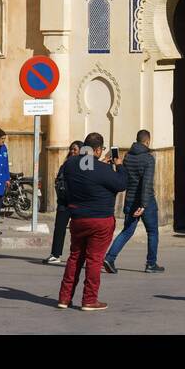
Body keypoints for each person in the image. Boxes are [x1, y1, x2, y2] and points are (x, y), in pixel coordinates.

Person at [57, 132, 127, 312]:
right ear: (97, 150)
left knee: (75, 258)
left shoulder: (70, 164)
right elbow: (121, 184)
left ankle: (64, 298)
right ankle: (89, 299)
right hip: (100, 219)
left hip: (78, 218)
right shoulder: (104, 170)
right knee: (94, 260)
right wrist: (118, 166)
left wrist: (97, 161)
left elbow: (86, 170)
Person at [103, 129, 164, 273]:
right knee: (153, 232)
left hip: (130, 199)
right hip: (146, 201)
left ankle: (110, 257)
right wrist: (143, 205)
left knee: (127, 231)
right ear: (147, 141)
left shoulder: (127, 157)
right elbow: (146, 183)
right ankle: (151, 264)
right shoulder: (149, 158)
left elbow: (125, 177)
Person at [43, 140, 83, 264]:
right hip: (64, 201)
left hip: (79, 202)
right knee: (59, 227)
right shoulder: (65, 165)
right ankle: (55, 254)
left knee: (81, 230)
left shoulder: (85, 165)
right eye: (71, 149)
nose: (72, 151)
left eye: (75, 149)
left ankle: (81, 256)